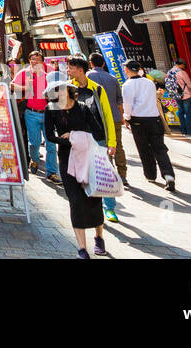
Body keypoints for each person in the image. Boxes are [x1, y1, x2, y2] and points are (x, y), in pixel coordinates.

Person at [44, 71, 109, 258]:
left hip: (87, 157)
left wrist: (75, 137)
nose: (59, 95)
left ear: (70, 92)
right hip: (66, 158)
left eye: (62, 90)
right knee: (75, 200)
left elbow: (98, 132)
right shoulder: (51, 110)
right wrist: (68, 142)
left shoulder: (83, 108)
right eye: (56, 92)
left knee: (93, 198)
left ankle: (99, 236)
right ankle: (82, 247)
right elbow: (50, 136)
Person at [65, 56, 120, 222]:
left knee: (104, 174)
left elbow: (107, 117)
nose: (68, 71)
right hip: (79, 139)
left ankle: (109, 208)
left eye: (71, 68)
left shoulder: (98, 89)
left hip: (98, 137)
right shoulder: (68, 89)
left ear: (80, 69)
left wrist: (112, 142)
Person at [122, 60, 175, 191]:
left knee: (144, 149)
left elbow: (127, 104)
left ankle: (150, 175)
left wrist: (126, 118)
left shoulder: (127, 85)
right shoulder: (149, 82)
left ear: (127, 70)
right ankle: (168, 175)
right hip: (154, 119)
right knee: (160, 148)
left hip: (138, 120)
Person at [12, 50, 59, 184]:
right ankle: (34, 159)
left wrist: (50, 96)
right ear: (29, 60)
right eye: (32, 59)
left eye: (37, 59)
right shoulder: (24, 73)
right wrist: (25, 87)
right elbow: (11, 85)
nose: (35, 62)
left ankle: (52, 173)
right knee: (34, 143)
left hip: (48, 113)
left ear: (42, 62)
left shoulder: (48, 76)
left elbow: (56, 93)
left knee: (51, 144)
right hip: (31, 113)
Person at [87, 52, 129, 191]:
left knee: (100, 146)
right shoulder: (112, 78)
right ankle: (122, 175)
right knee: (117, 145)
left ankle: (108, 174)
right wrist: (122, 116)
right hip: (115, 117)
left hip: (96, 118)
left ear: (90, 63)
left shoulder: (87, 77)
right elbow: (119, 100)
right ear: (103, 63)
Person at [166, 59, 191, 136]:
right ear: (181, 64)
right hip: (186, 95)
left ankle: (183, 130)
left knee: (181, 113)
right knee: (189, 113)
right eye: (184, 65)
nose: (184, 67)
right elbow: (189, 85)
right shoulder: (182, 72)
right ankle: (190, 131)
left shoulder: (169, 72)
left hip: (177, 96)